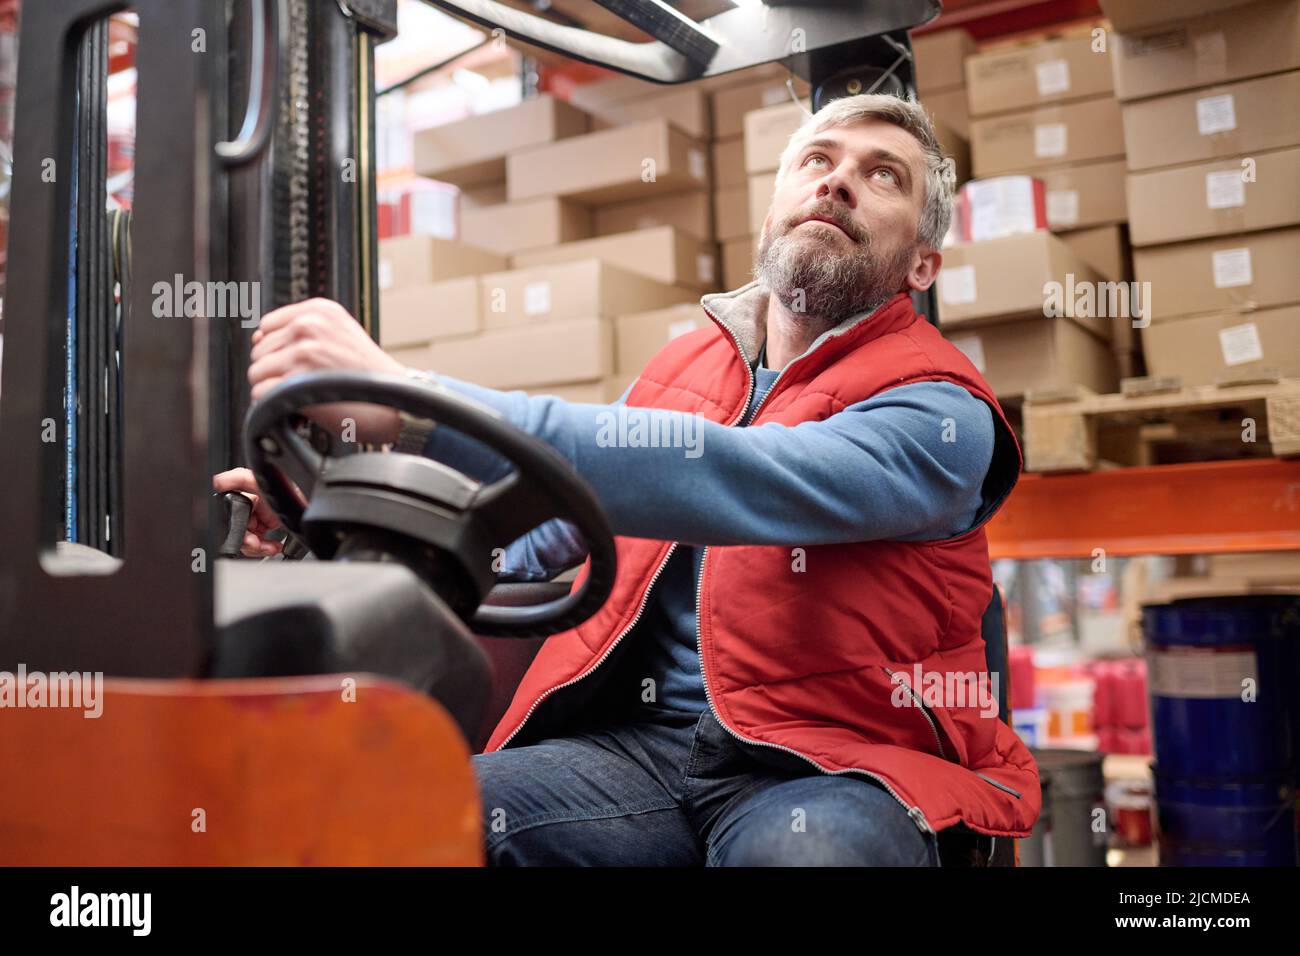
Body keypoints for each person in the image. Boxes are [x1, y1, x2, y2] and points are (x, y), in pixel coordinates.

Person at [215, 92, 1041, 866]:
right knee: (416, 811)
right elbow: (540, 529)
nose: (838, 180)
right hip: (640, 750)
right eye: (817, 159)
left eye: (882, 175)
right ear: (775, 207)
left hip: (834, 759)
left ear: (923, 264)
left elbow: (737, 475)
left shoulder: (942, 413)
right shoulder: (687, 366)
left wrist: (418, 408)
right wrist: (334, 509)